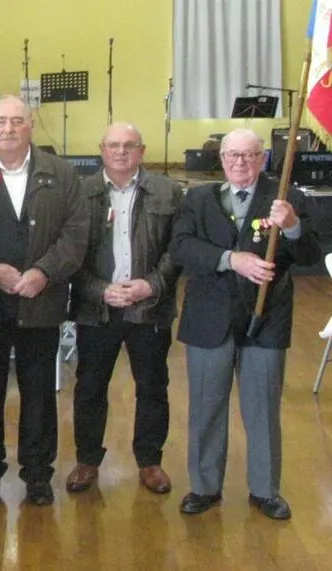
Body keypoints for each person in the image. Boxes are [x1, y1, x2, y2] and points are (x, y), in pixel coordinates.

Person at [0, 95, 89, 506]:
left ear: (30, 125)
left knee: (39, 393)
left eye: (17, 121)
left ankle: (38, 474)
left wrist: (44, 272)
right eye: (1, 121)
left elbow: (77, 232)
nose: (8, 128)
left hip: (39, 301)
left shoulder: (61, 173)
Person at [169, 128, 321, 520]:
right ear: (221, 159)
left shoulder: (286, 198)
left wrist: (291, 226)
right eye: (232, 155)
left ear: (263, 158)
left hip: (266, 318)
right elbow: (181, 246)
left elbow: (308, 253)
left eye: (249, 155)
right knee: (206, 406)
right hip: (209, 319)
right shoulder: (199, 199)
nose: (240, 162)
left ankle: (265, 489)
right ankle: (204, 487)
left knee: (263, 408)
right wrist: (229, 259)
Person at [66, 123, 183, 495]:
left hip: (149, 308)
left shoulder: (168, 191)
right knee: (89, 387)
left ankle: (150, 461)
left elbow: (178, 248)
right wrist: (101, 290)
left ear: (142, 150)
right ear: (101, 150)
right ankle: (87, 460)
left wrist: (152, 284)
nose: (120, 152)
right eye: (113, 145)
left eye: (129, 145)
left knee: (152, 387)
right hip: (96, 308)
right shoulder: (79, 193)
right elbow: (68, 254)